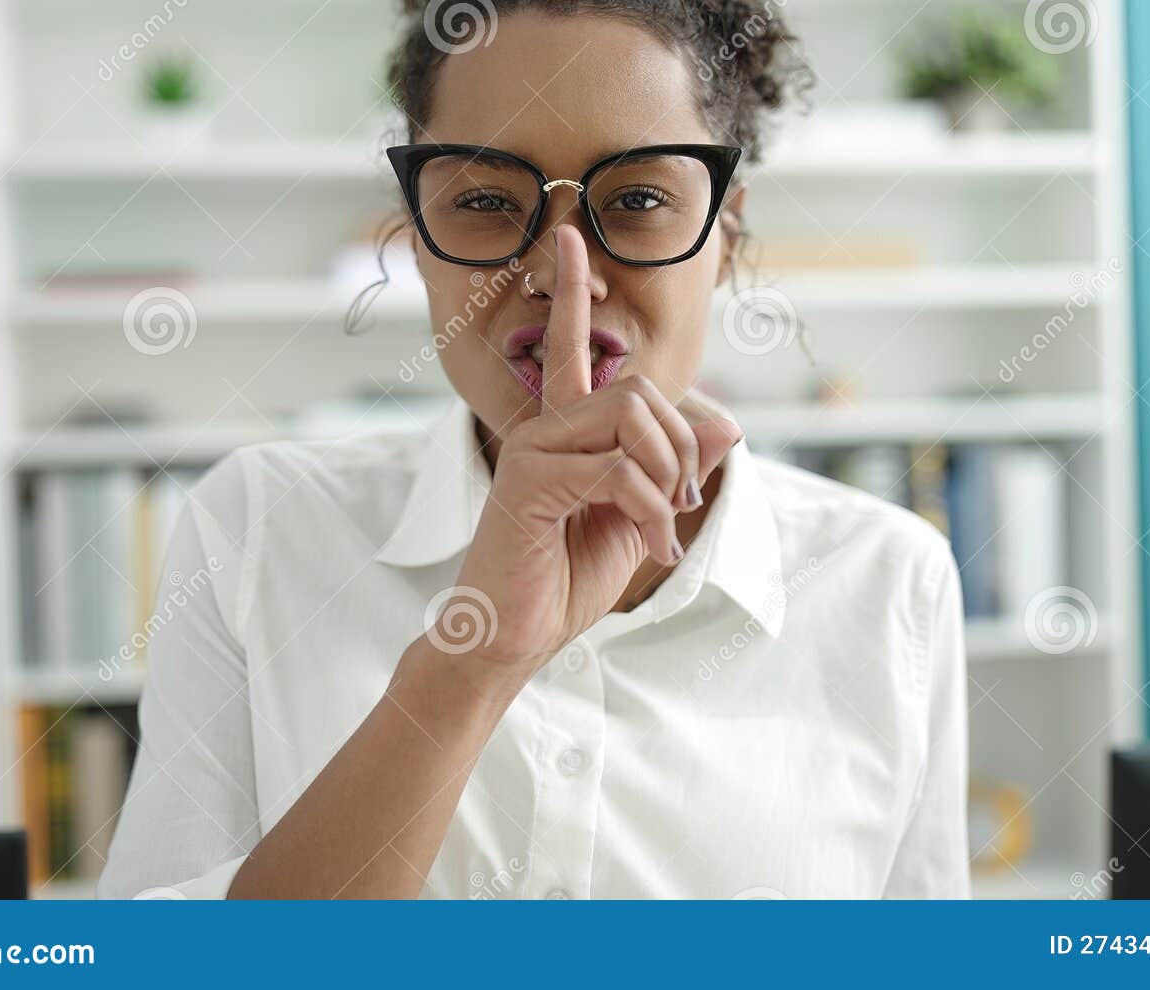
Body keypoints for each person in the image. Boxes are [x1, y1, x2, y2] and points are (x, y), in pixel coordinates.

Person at [99, 0, 967, 900]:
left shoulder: (891, 580)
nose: (562, 274)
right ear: (414, 230)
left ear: (727, 234)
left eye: (636, 201)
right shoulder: (262, 527)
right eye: (482, 200)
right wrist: (474, 659)